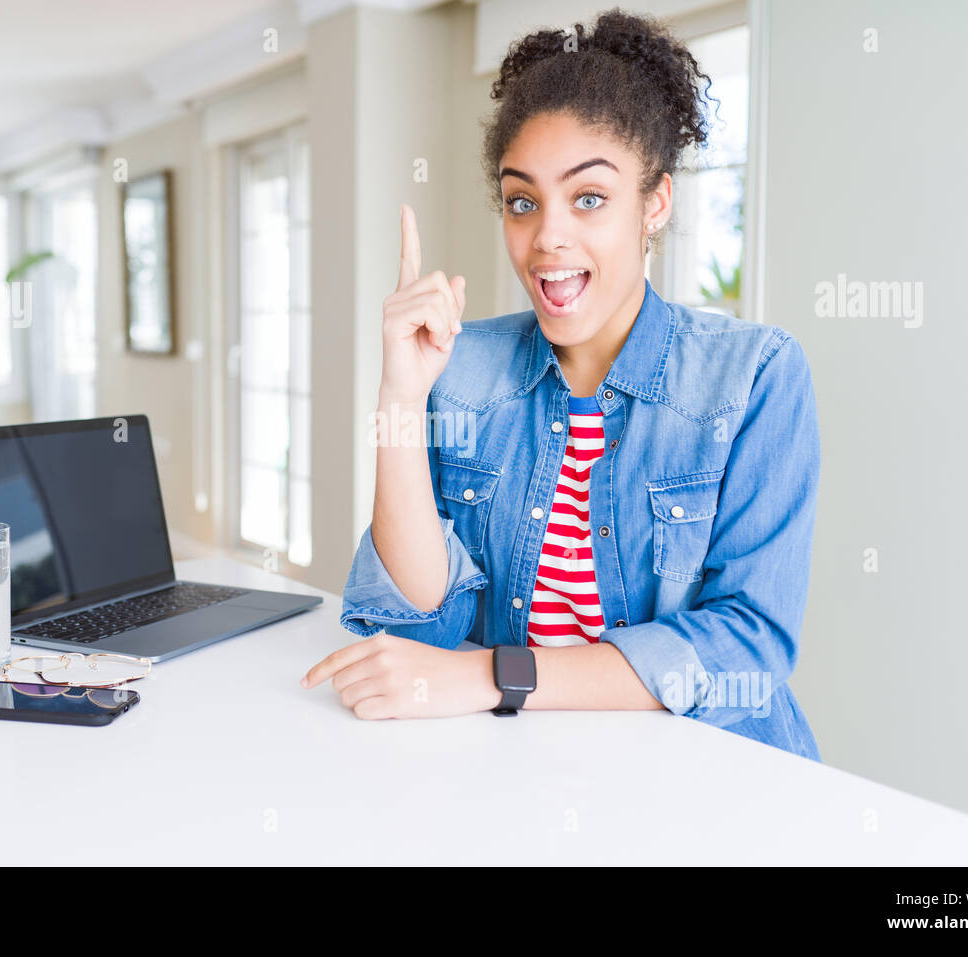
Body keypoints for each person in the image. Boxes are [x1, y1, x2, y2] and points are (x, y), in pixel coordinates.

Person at [301, 8, 821, 761]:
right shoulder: (464, 369)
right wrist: (402, 398)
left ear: (656, 202)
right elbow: (421, 631)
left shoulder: (755, 376)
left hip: (712, 780)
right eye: (523, 201)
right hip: (524, 778)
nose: (548, 237)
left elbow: (746, 648)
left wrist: (493, 676)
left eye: (589, 198)